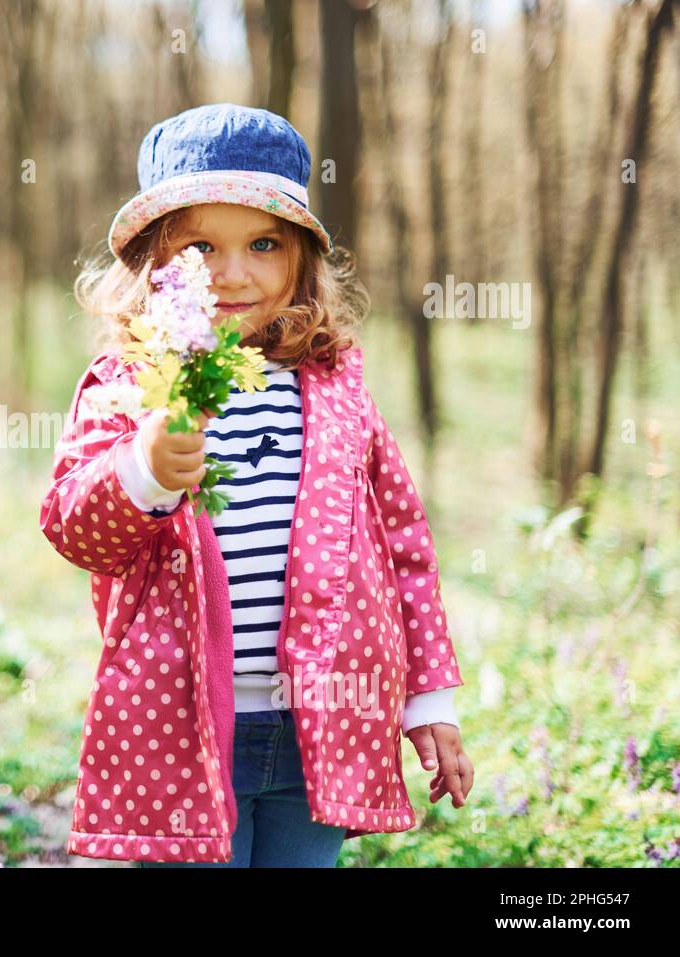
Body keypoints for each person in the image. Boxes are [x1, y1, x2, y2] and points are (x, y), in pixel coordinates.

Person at [41, 103, 473, 867]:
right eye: (199, 246)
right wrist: (143, 469)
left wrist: (427, 700)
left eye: (263, 243)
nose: (233, 272)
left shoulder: (336, 388)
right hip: (183, 725)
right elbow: (75, 527)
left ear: (302, 257)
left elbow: (406, 547)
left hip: (327, 723)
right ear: (152, 266)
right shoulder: (132, 386)